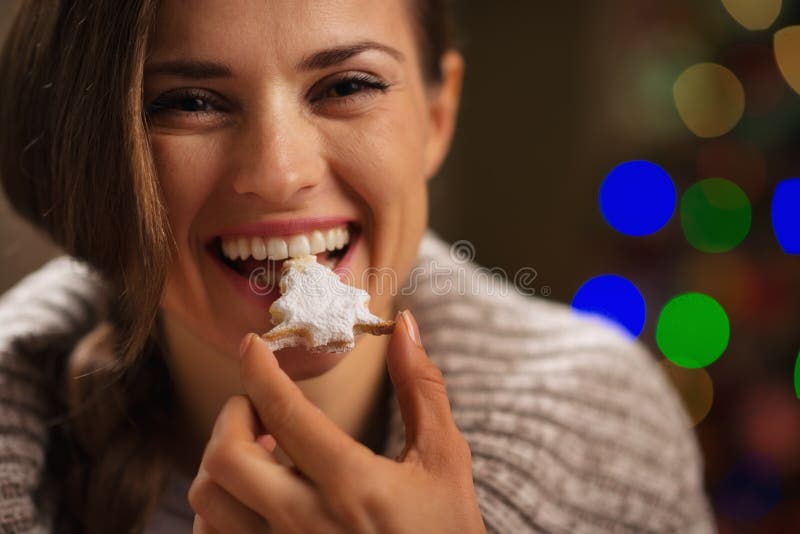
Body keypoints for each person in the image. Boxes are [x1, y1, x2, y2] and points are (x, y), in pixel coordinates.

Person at [0, 0, 714, 532]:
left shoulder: (611, 433)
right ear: (91, 151)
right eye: (188, 102)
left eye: (346, 86)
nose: (280, 173)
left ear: (437, 118)